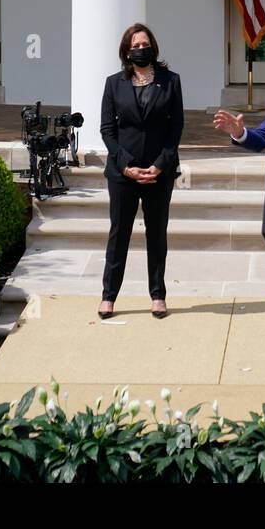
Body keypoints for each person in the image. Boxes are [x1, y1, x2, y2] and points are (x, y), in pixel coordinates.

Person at [98, 23, 183, 320]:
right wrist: (126, 166)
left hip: (159, 172)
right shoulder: (113, 83)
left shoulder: (171, 81)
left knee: (156, 234)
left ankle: (157, 295)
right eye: (134, 46)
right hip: (124, 173)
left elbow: (176, 128)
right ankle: (109, 296)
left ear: (153, 47)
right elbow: (107, 130)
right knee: (118, 233)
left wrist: (160, 164)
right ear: (126, 51)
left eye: (144, 44)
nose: (140, 49)